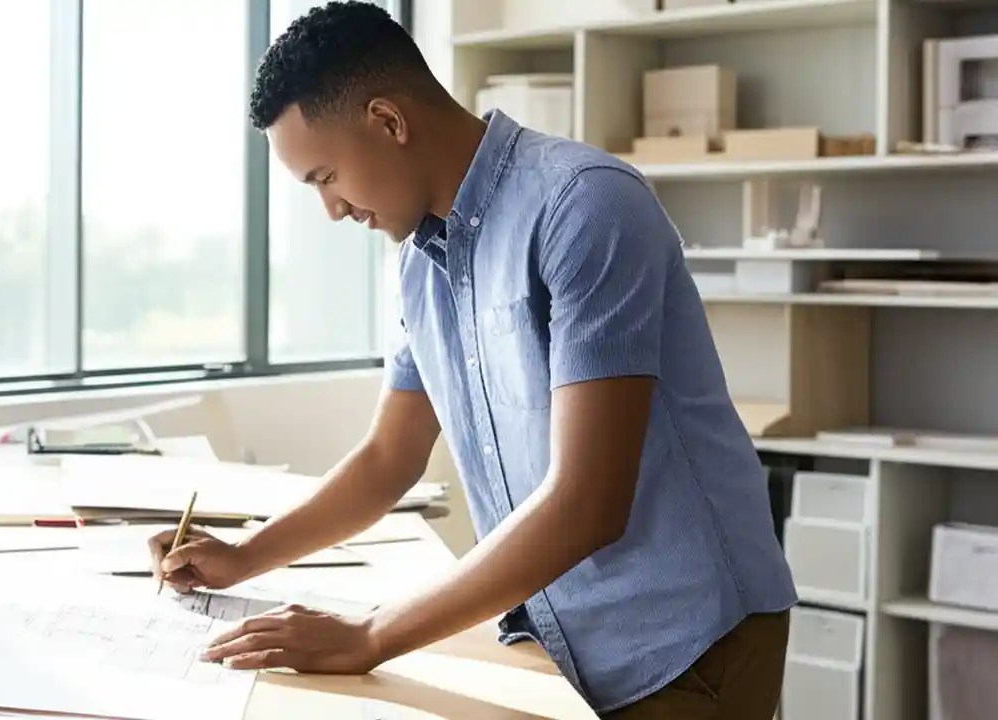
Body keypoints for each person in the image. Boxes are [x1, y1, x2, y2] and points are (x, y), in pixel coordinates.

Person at [147, 2, 797, 717]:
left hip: (682, 642)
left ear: (389, 122)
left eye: (325, 177)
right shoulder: (420, 264)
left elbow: (587, 505)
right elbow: (390, 457)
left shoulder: (585, 206)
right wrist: (245, 556)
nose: (331, 210)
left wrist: (368, 636)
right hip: (552, 635)